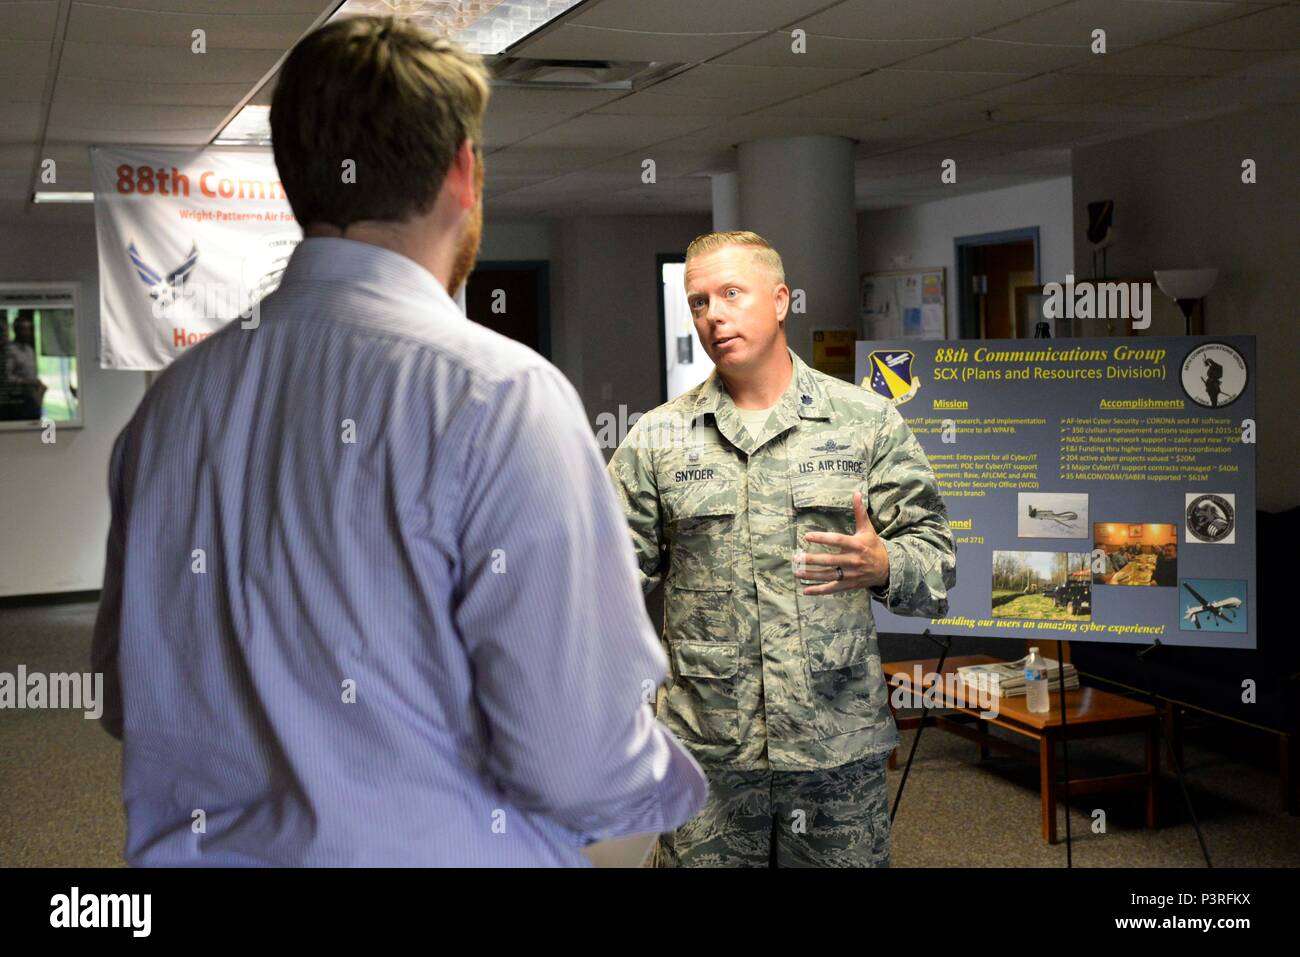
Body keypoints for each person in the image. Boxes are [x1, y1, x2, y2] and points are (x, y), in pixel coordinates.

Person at [91, 15, 706, 867]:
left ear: (295, 177)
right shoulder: (502, 397)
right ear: (464, 171)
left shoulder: (170, 411)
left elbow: (133, 695)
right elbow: (580, 758)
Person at [607, 230, 956, 867]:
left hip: (835, 748)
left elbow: (935, 564)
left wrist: (885, 565)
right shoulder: (657, 438)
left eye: (731, 293)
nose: (713, 314)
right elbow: (604, 582)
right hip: (708, 756)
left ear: (780, 300)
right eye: (698, 302)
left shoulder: (867, 422)